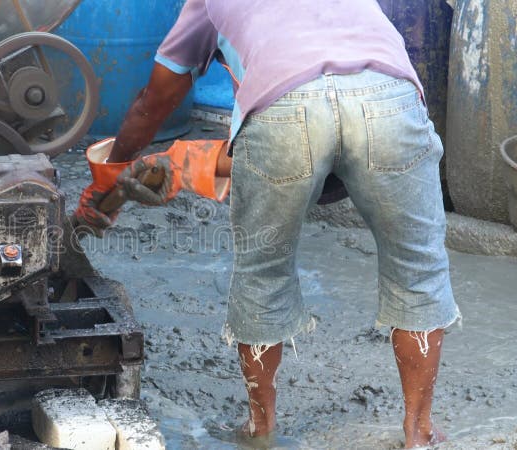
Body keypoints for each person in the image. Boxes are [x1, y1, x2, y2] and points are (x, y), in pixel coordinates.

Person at [73, 1, 461, 447]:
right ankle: (420, 431)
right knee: (419, 269)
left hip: (285, 108)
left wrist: (112, 172)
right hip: (389, 101)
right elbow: (338, 94)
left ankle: (260, 428)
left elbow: (155, 100)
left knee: (263, 274)